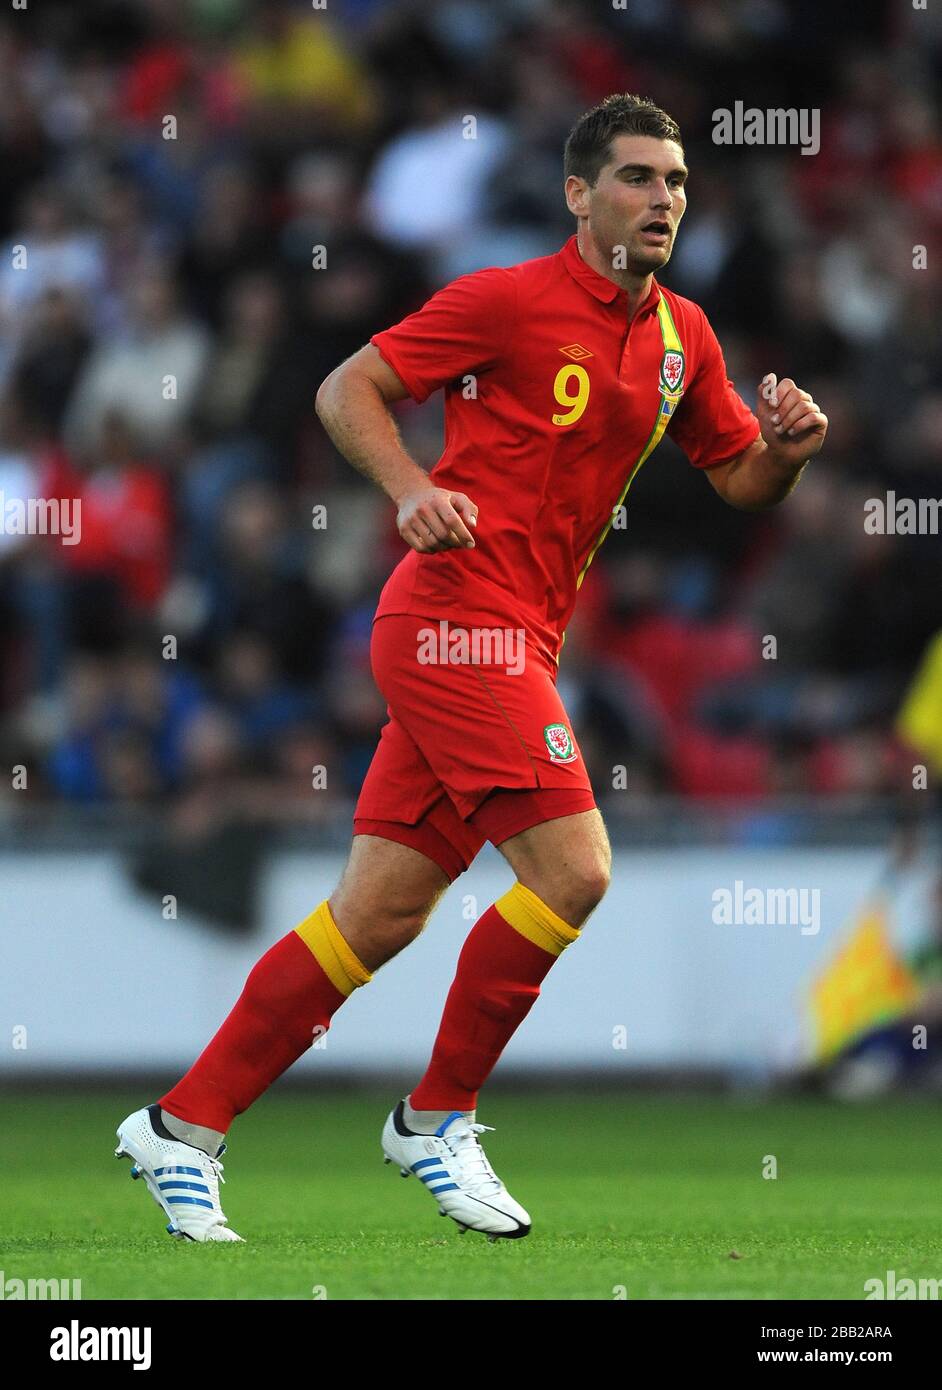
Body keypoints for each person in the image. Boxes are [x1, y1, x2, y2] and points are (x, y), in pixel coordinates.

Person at [115, 94, 828, 1243]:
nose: (663, 200)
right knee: (577, 871)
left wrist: (788, 457)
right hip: (453, 618)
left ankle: (180, 1127)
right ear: (578, 195)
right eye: (638, 178)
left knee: (378, 914)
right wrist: (411, 492)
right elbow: (347, 386)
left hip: (523, 637)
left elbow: (741, 476)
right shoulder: (505, 300)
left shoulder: (684, 338)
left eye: (679, 181)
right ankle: (436, 1114)